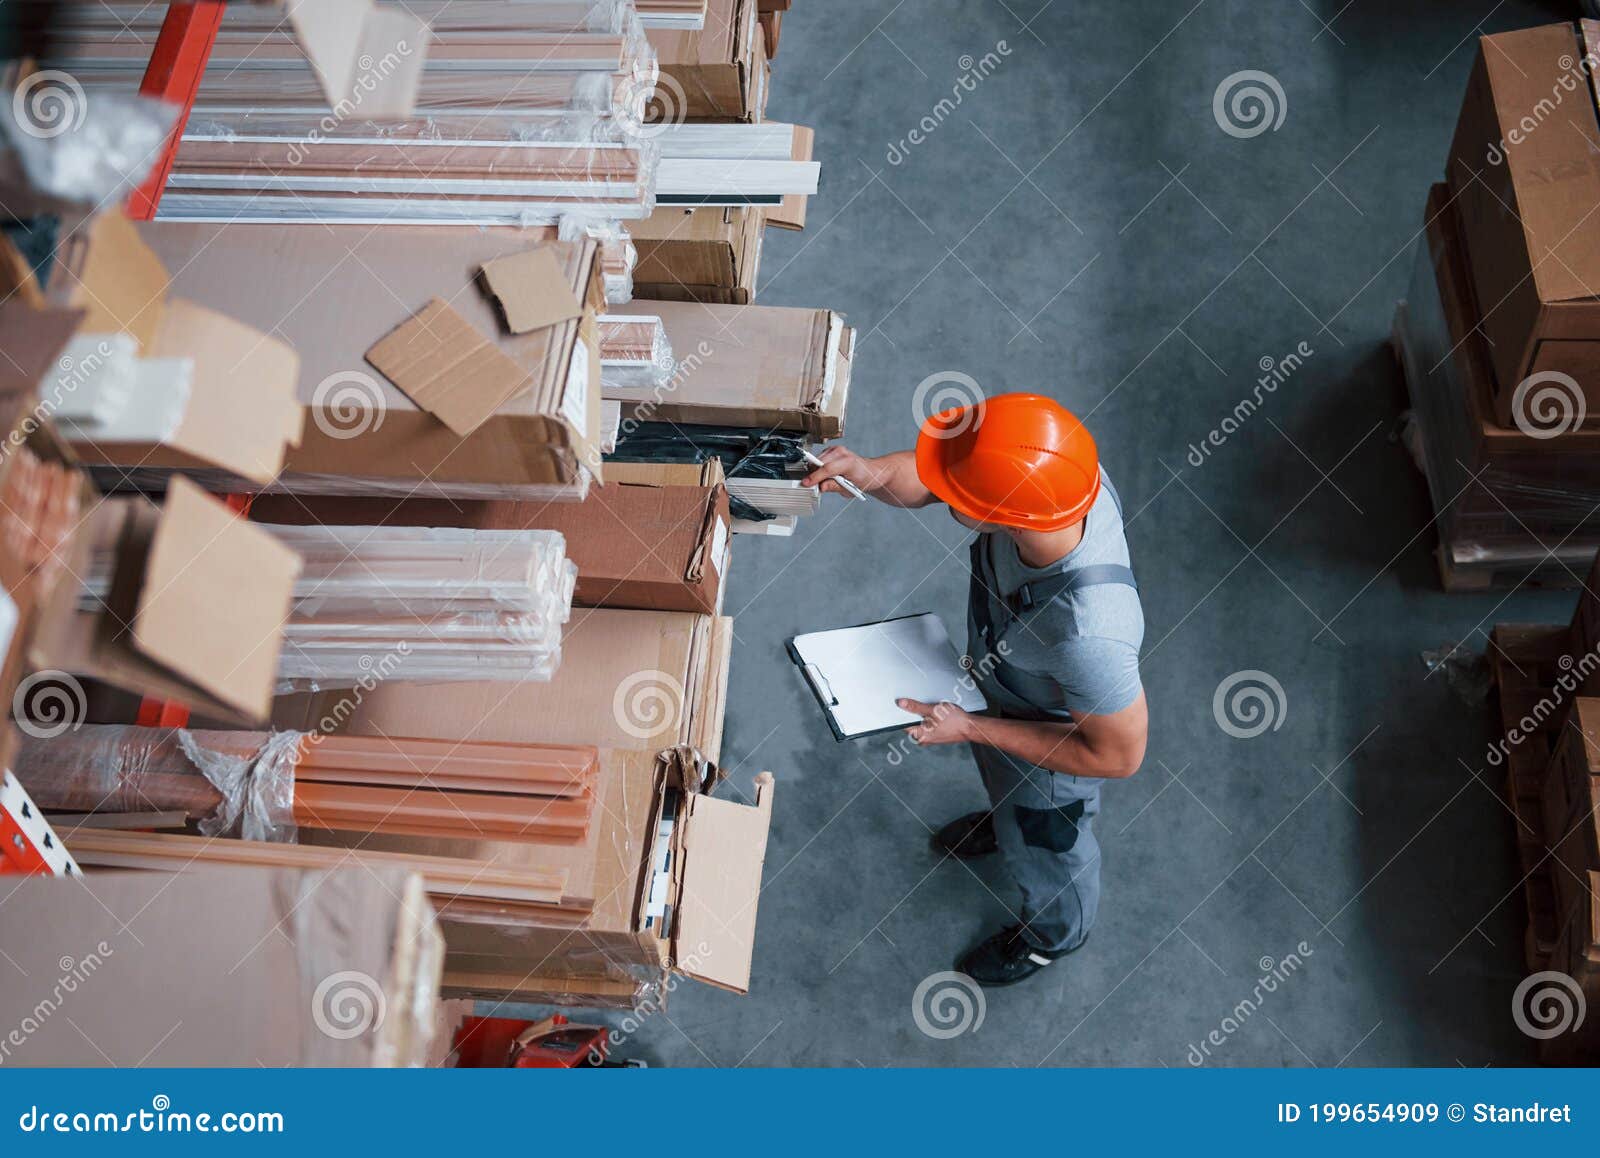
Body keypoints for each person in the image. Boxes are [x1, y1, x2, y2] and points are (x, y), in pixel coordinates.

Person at [803, 393, 1147, 986]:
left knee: (1046, 847)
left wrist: (971, 727)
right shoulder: (1056, 474)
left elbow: (1117, 755)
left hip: (1055, 749)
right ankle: (1005, 817)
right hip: (1005, 688)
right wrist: (872, 472)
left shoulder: (1090, 634)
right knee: (1006, 793)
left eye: (962, 495)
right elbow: (939, 477)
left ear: (1006, 517)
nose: (944, 490)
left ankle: (1051, 935)